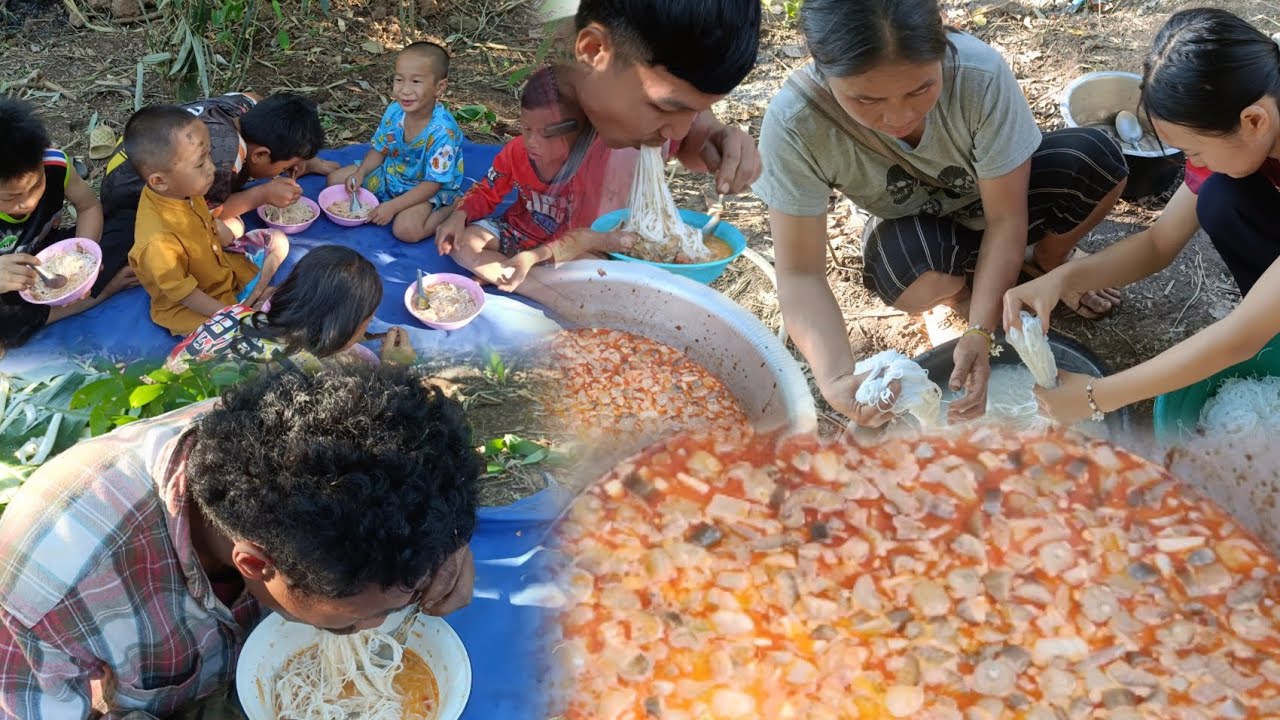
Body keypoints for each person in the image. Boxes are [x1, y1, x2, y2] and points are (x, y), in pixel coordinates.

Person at [0, 365, 479, 718]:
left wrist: (446, 542)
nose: (373, 631)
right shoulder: (45, 589)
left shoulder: (344, 425)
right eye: (349, 623)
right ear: (255, 565)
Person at [752, 0, 1129, 427]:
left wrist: (980, 332)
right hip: (916, 224)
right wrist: (836, 376)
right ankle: (955, 298)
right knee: (908, 271)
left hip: (1002, 206)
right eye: (865, 99)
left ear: (943, 49)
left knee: (1096, 160)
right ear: (823, 69)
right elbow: (800, 274)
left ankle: (1048, 265)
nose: (899, 116)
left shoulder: (978, 75)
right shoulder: (796, 124)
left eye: (920, 89)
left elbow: (1006, 218)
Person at [1006, 8, 1280, 424]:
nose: (1193, 161)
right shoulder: (1248, 122)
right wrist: (1059, 279)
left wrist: (1097, 396)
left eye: (1195, 150)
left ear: (1254, 120)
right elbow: (1158, 243)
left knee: (1225, 202)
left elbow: (1240, 338)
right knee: (1221, 199)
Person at [97, 93, 335, 298]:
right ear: (260, 155)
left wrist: (303, 159)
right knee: (229, 228)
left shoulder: (242, 104)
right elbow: (204, 214)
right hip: (128, 201)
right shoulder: (220, 162)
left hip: (132, 158)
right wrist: (260, 194)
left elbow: (257, 97)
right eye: (285, 167)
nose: (286, 172)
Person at [436, 67, 628, 291]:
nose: (532, 142)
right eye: (526, 129)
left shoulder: (597, 166)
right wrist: (460, 214)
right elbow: (487, 191)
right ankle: (528, 281)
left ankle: (504, 275)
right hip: (520, 235)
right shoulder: (516, 152)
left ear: (581, 134)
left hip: (568, 251)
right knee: (463, 244)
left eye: (547, 134)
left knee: (600, 273)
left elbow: (597, 235)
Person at [125, 105, 288, 336]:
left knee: (277, 240)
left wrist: (219, 233)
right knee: (228, 334)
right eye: (200, 164)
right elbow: (184, 294)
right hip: (192, 305)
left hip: (220, 269)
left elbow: (207, 223)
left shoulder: (181, 188)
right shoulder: (157, 242)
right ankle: (249, 304)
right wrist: (231, 315)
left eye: (209, 155)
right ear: (159, 181)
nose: (212, 168)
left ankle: (250, 300)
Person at [0, 98, 137, 352]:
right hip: (9, 285)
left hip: (49, 252)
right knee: (7, 318)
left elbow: (88, 207)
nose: (29, 201)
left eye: (36, 185)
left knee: (128, 223)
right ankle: (105, 291)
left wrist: (84, 259)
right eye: (11, 197)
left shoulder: (55, 165)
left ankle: (93, 286)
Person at [166, 245, 416, 373]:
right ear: (340, 331)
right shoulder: (314, 377)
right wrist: (394, 372)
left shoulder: (232, 314)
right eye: (367, 321)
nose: (367, 329)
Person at [329, 42, 466, 242]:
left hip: (425, 187)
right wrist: (361, 173)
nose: (405, 90)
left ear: (439, 87)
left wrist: (393, 207)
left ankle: (455, 205)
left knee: (406, 230)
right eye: (399, 80)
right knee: (336, 182)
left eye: (416, 82)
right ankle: (386, 195)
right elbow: (380, 150)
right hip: (393, 173)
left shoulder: (443, 132)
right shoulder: (394, 112)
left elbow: (432, 184)